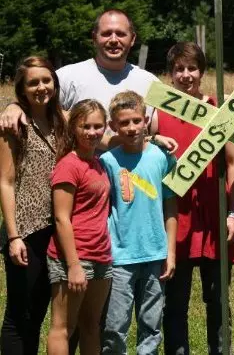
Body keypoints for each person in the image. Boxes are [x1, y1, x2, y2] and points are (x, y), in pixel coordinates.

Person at [151, 42, 234, 355]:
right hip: (176, 220)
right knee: (174, 303)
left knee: (217, 301)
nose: (186, 75)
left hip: (214, 219)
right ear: (170, 74)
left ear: (202, 72)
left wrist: (233, 214)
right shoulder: (159, 111)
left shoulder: (219, 110)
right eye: (179, 69)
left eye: (192, 68)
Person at [0, 8, 176, 151]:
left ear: (132, 39)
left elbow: (176, 123)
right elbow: (36, 103)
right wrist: (14, 106)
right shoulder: (68, 77)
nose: (114, 40)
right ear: (94, 38)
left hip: (136, 184)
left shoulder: (151, 83)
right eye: (106, 33)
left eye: (120, 34)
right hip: (82, 186)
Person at [100, 91, 177, 355]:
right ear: (113, 126)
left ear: (145, 120)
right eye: (124, 123)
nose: (131, 128)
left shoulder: (161, 157)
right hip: (120, 256)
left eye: (136, 121)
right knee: (115, 325)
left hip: (155, 253)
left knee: (152, 325)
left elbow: (170, 205)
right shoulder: (107, 162)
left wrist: (171, 252)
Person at [0, 56, 66, 354]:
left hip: (56, 229)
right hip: (25, 231)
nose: (42, 87)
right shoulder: (13, 125)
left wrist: (151, 137)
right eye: (33, 82)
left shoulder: (61, 119)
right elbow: (6, 182)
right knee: (18, 315)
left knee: (39, 312)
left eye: (46, 80)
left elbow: (101, 135)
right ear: (22, 90)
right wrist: (13, 237)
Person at [46, 100, 112, 354]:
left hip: (101, 255)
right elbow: (62, 218)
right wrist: (73, 265)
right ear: (73, 127)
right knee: (64, 326)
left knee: (91, 325)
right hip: (73, 256)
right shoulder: (68, 165)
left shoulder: (97, 162)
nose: (92, 132)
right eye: (86, 126)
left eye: (98, 126)